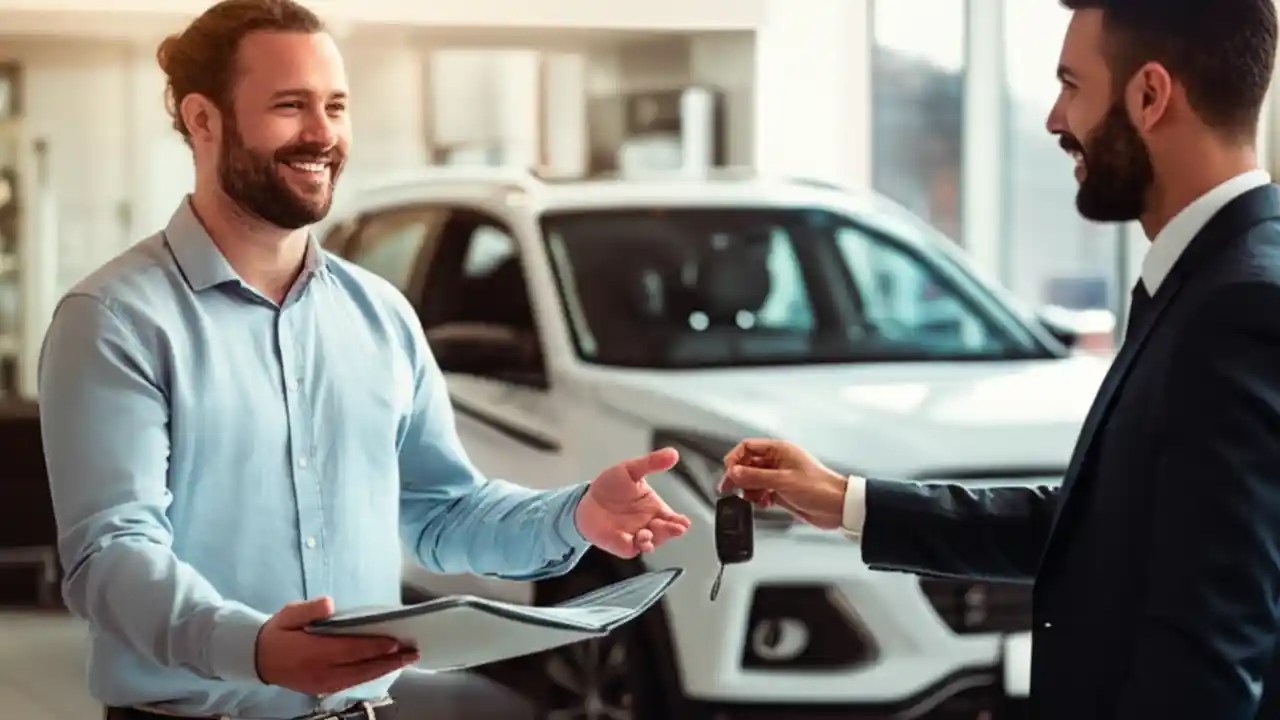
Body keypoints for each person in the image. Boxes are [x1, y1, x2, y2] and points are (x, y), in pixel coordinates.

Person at [36, 1, 691, 719]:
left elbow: (441, 511)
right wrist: (251, 647)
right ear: (203, 120)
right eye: (290, 106)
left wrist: (576, 517)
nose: (323, 134)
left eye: (336, 106)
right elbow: (110, 556)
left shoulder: (379, 315)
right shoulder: (115, 320)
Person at [720, 1, 1280, 718]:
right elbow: (1098, 527)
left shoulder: (1238, 309)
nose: (1054, 119)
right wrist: (845, 499)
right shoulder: (1208, 283)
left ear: (1149, 95)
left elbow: (1210, 653)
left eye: (1072, 86)